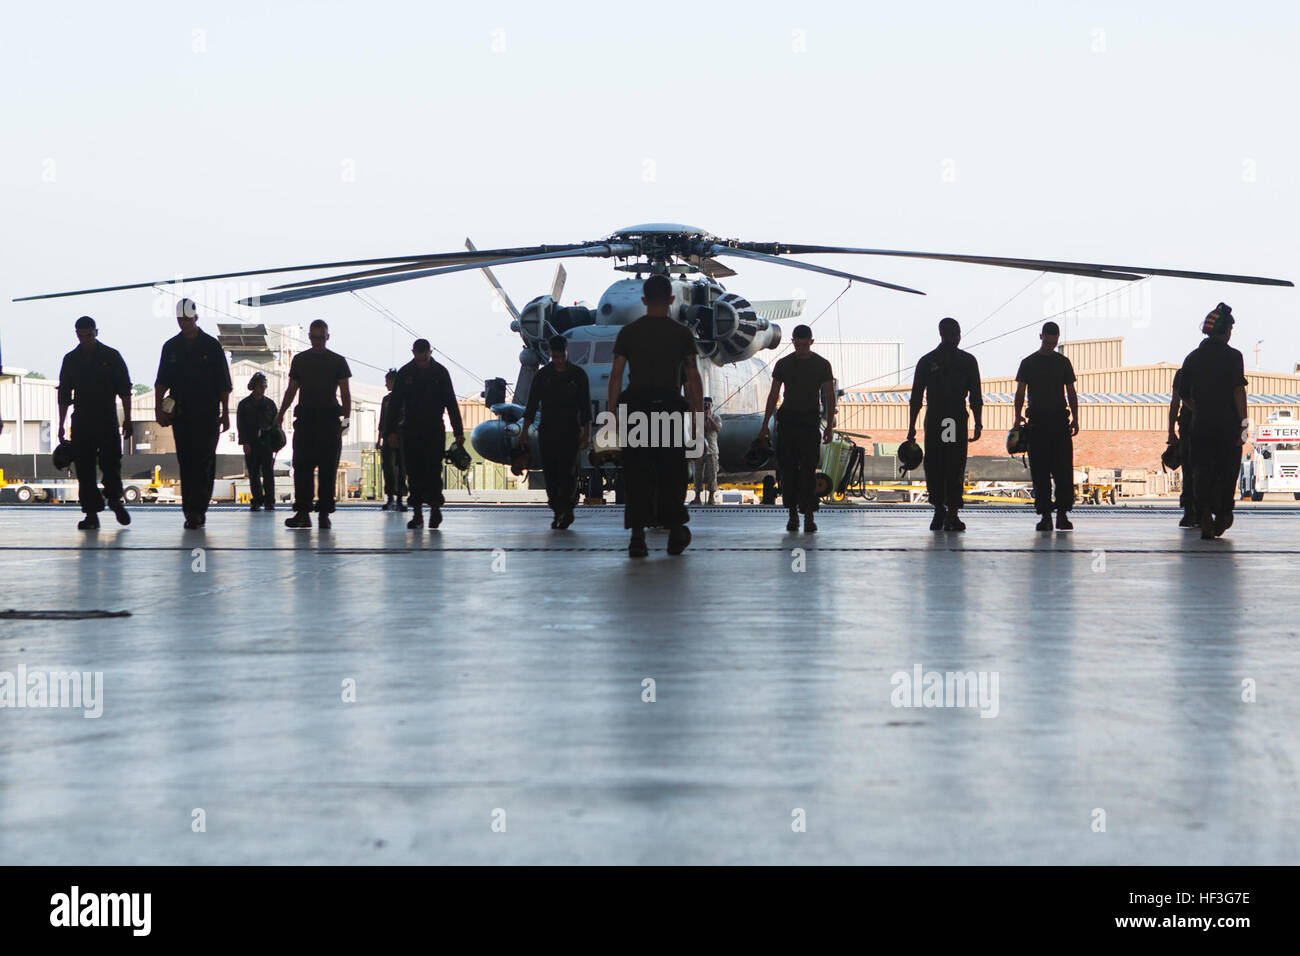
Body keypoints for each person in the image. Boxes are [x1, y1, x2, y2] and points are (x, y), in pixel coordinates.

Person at [608, 274, 704, 557]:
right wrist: (698, 417)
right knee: (671, 474)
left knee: (637, 474)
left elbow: (615, 376)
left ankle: (638, 538)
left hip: (636, 410)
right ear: (672, 300)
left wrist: (610, 417)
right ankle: (675, 530)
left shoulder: (629, 332)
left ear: (643, 300)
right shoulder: (682, 334)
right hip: (669, 411)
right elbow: (693, 377)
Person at [155, 298, 232, 529]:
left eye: (187, 319)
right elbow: (161, 383)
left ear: (196, 318)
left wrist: (225, 413)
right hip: (182, 415)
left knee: (205, 462)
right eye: (180, 319)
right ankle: (190, 511)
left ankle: (199, 509)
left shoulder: (211, 346)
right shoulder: (171, 347)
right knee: (186, 462)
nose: (184, 323)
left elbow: (223, 384)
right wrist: (158, 408)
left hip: (207, 414)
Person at [1178, 303, 1248, 540]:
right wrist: (1244, 424)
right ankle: (1223, 515)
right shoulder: (1234, 357)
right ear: (1225, 330)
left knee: (1201, 472)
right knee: (1227, 471)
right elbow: (1239, 392)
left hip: (1201, 426)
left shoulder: (1193, 357)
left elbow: (1184, 394)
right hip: (1227, 426)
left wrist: (1201, 410)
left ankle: (1204, 513)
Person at [56, 316, 132, 530]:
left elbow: (125, 391)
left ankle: (115, 500)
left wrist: (128, 419)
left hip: (107, 418)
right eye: (81, 336)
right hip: (82, 420)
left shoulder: (111, 356)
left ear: (96, 332)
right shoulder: (71, 359)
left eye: (88, 335)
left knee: (111, 463)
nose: (85, 339)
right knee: (84, 468)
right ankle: (91, 514)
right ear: (77, 335)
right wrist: (61, 425)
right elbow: (64, 395)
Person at [275, 319, 351, 530]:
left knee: (328, 469)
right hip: (306, 421)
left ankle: (324, 514)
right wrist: (280, 415)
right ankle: (303, 513)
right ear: (309, 337)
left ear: (327, 337)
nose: (317, 341)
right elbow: (291, 390)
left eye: (321, 337)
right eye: (314, 337)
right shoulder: (300, 360)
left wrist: (345, 421)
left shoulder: (338, 361)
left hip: (329, 422)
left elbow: (345, 394)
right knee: (301, 468)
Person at [907, 318, 983, 531]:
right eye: (951, 333)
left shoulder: (965, 361)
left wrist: (978, 423)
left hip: (951, 419)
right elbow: (916, 397)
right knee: (939, 464)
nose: (955, 337)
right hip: (943, 419)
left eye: (957, 333)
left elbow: (976, 396)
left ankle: (949, 511)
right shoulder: (930, 361)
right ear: (942, 334)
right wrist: (911, 427)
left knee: (951, 464)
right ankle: (942, 510)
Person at [759, 324, 835, 533]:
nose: (801, 349)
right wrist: (765, 425)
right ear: (792, 342)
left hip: (810, 423)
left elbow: (829, 395)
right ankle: (793, 515)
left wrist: (828, 426)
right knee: (788, 472)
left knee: (809, 471)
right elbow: (773, 395)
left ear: (811, 342)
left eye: (804, 345)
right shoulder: (783, 364)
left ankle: (809, 516)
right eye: (798, 345)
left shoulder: (822, 365)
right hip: (789, 422)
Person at [386, 338, 464, 530]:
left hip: (433, 430)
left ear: (430, 352)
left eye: (424, 357)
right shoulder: (405, 373)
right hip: (411, 429)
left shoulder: (440, 372)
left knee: (433, 471)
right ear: (413, 353)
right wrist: (390, 432)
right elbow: (395, 404)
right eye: (418, 357)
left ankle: (436, 510)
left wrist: (459, 432)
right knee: (413, 473)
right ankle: (418, 514)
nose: (421, 361)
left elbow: (451, 403)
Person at [520, 335, 591, 529]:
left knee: (568, 473)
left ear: (566, 352)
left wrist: (586, 433)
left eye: (561, 356)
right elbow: (531, 405)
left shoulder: (578, 376)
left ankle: (567, 509)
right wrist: (524, 432)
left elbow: (585, 407)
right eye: (555, 356)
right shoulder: (543, 376)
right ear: (550, 354)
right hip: (548, 432)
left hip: (570, 431)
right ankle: (557, 510)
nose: (558, 360)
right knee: (550, 473)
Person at [1014, 321, 1079, 532]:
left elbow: (1071, 393)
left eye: (1054, 342)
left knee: (1062, 473)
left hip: (1058, 424)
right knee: (1041, 474)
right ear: (1041, 337)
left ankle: (1061, 515)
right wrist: (1017, 417)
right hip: (1038, 425)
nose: (1051, 345)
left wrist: (1076, 418)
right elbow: (1020, 393)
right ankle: (1046, 516)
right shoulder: (1028, 363)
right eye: (1048, 341)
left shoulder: (1063, 362)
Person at [237, 372, 278, 511]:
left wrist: (275, 442)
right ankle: (257, 500)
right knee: (253, 473)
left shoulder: (270, 404)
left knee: (268, 473)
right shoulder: (244, 405)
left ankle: (269, 501)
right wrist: (244, 443)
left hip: (266, 444)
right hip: (251, 443)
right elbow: (240, 425)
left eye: (264, 386)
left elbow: (276, 424)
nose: (263, 388)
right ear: (254, 386)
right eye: (261, 385)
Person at [1168, 366, 1196, 528]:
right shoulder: (1217, 368)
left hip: (1187, 426)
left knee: (1189, 469)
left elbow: (1175, 403)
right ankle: (1204, 511)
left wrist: (1171, 432)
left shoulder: (1183, 372)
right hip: (1211, 425)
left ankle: (1189, 512)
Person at [378, 369, 407, 511]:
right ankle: (390, 497)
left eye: (388, 382)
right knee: (388, 468)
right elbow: (382, 420)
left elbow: (405, 417)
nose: (386, 385)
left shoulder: (404, 398)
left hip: (401, 437)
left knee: (401, 468)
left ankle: (400, 498)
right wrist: (379, 438)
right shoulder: (386, 400)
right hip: (386, 438)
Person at [691, 397, 722, 506]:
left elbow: (718, 428)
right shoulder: (697, 417)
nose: (706, 406)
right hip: (699, 449)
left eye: (708, 405)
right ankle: (697, 497)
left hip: (712, 450)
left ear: (712, 406)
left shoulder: (716, 417)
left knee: (712, 474)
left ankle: (711, 498)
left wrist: (709, 417)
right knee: (697, 474)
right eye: (704, 404)